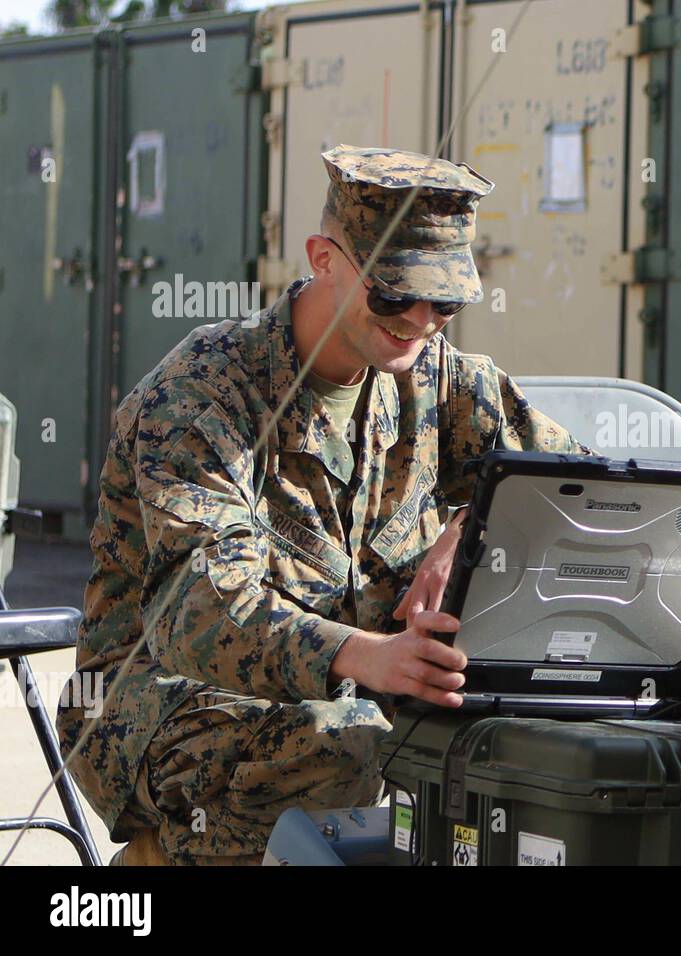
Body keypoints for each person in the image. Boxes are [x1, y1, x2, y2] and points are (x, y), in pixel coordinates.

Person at [56, 144, 588, 865]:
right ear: (324, 258)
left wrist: (472, 527)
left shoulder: (439, 379)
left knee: (549, 744)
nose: (422, 319)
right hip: (153, 698)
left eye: (446, 300)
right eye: (396, 293)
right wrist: (368, 659)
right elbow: (204, 615)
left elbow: (571, 483)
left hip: (363, 685)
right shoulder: (202, 396)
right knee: (338, 745)